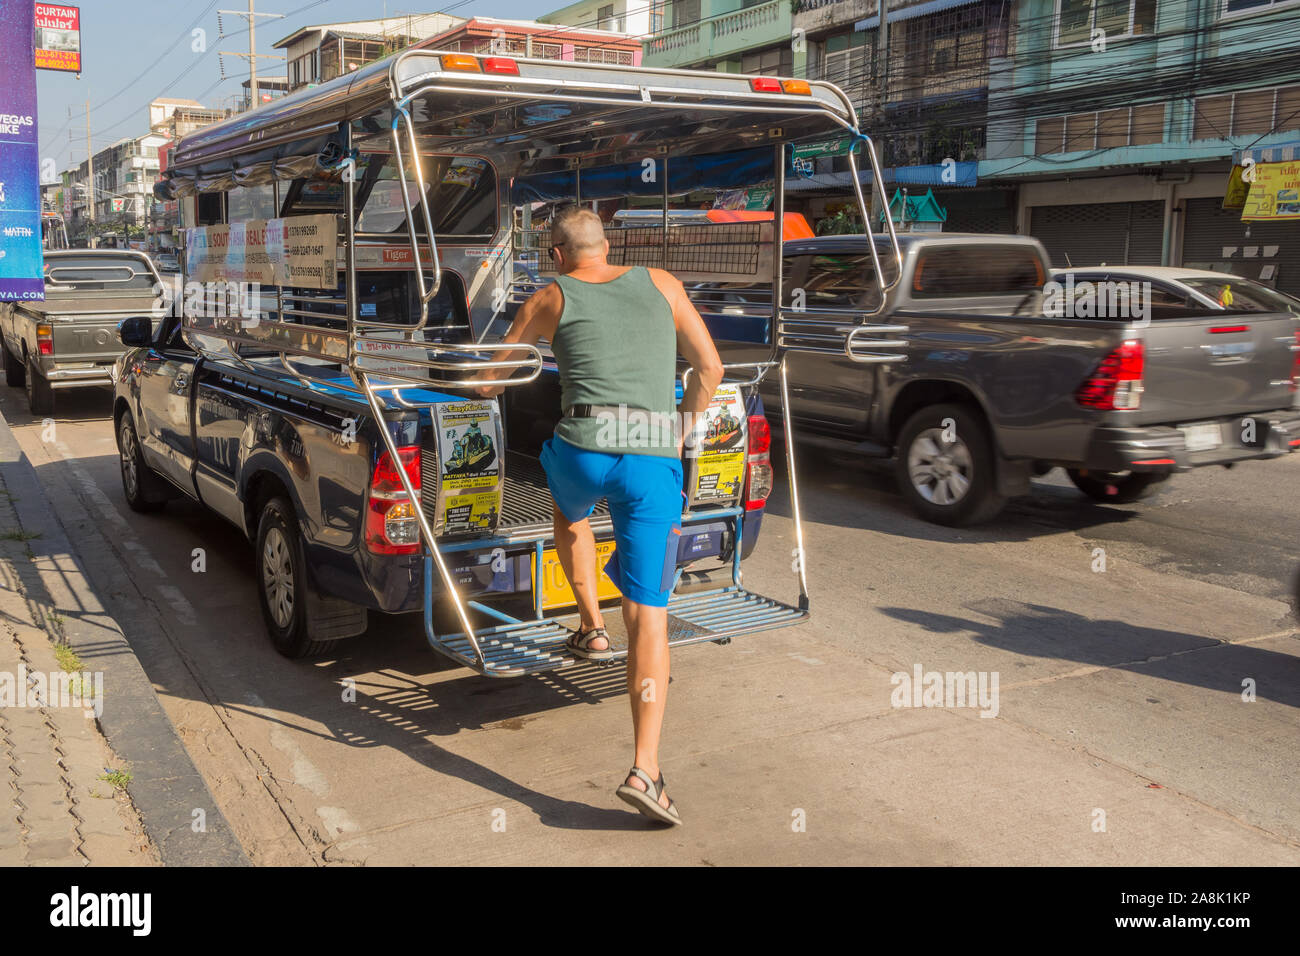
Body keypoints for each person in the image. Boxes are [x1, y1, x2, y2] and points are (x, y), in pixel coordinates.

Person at [477, 205, 724, 825]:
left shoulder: (547, 297)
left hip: (583, 452)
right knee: (649, 616)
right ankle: (646, 770)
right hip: (651, 458)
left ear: (557, 255)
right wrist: (681, 428)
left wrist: (449, 375)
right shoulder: (663, 284)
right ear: (607, 246)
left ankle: (589, 625)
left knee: (570, 512)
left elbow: (489, 384)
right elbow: (710, 369)